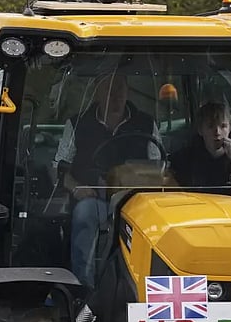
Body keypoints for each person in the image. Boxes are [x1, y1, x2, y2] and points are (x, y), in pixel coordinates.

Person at [52, 72, 161, 289]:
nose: (115, 95)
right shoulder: (77, 123)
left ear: (128, 91)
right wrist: (77, 188)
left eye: (120, 88)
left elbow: (159, 168)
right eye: (108, 89)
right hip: (94, 199)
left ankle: (141, 288)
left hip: (135, 202)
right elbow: (59, 167)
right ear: (97, 93)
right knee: (84, 214)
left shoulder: (146, 123)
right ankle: (84, 289)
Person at [167, 101, 231, 202]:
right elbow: (168, 191)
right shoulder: (186, 158)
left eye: (223, 126)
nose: (217, 132)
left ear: (230, 128)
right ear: (200, 130)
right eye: (211, 126)